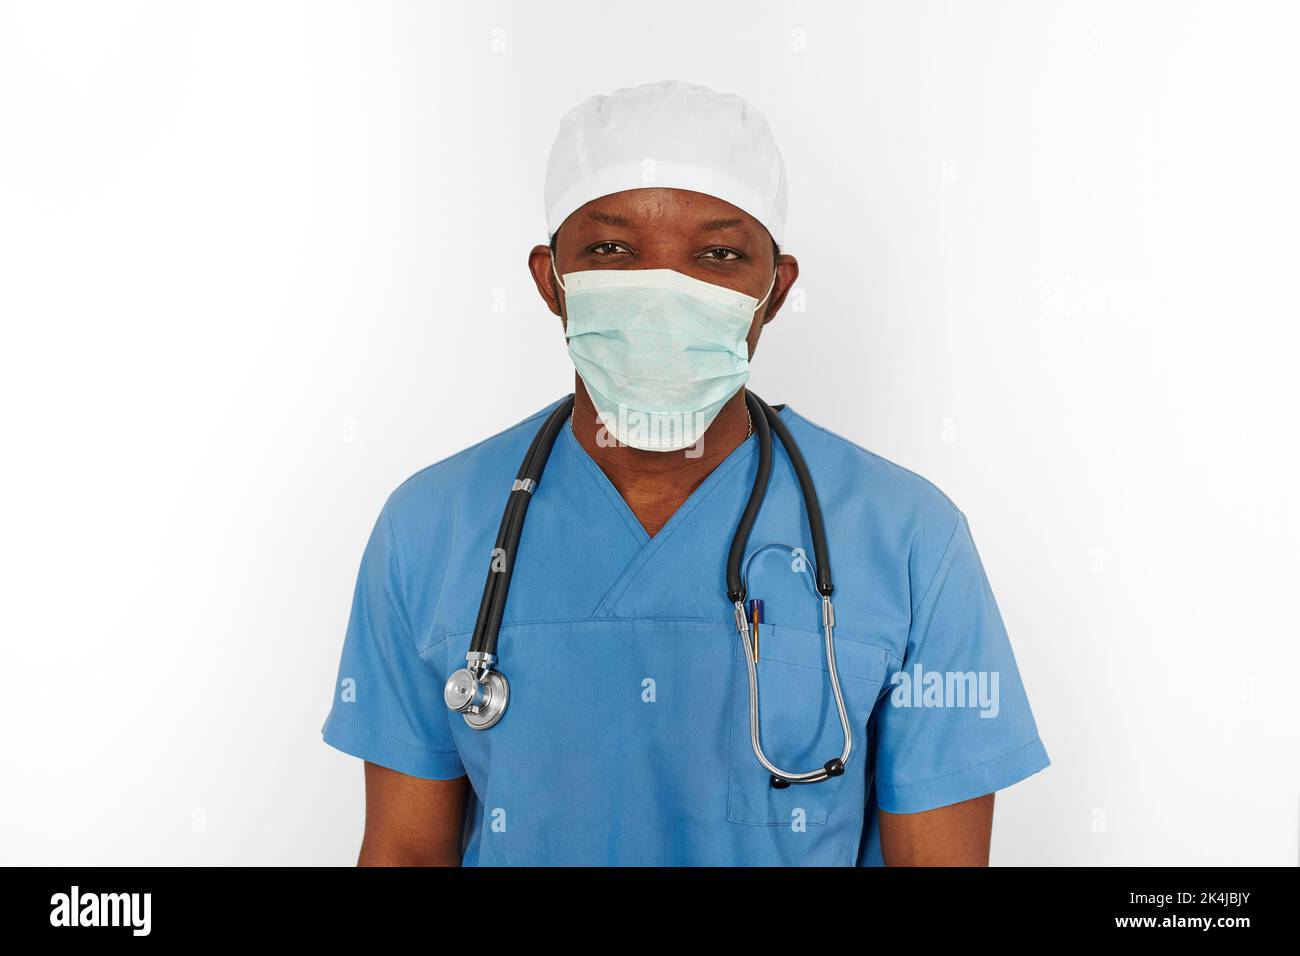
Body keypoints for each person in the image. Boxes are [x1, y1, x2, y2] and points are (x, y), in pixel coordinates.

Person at [321, 80, 1050, 866]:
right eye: (611, 250)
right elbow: (403, 850)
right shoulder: (432, 527)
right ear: (549, 280)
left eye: (718, 255)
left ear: (774, 289)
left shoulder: (906, 538)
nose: (664, 292)